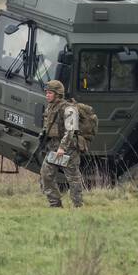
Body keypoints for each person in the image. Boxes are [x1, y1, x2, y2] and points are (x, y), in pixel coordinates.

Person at [40, 79, 85, 208]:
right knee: (46, 175)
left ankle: (78, 206)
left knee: (73, 178)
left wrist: (62, 148)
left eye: (50, 93)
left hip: (68, 149)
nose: (47, 95)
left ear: (58, 94)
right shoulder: (50, 107)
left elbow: (70, 130)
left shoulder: (69, 109)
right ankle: (55, 204)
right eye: (46, 93)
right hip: (53, 147)